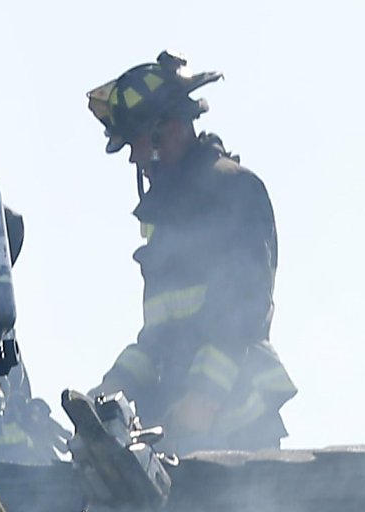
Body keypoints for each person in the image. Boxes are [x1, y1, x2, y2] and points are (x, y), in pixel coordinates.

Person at [86, 52, 296, 452]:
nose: (134, 157)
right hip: (179, 430)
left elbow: (240, 313)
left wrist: (205, 397)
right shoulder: (166, 223)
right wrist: (114, 389)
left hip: (239, 428)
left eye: (138, 142)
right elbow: (159, 338)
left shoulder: (234, 191)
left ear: (169, 128)